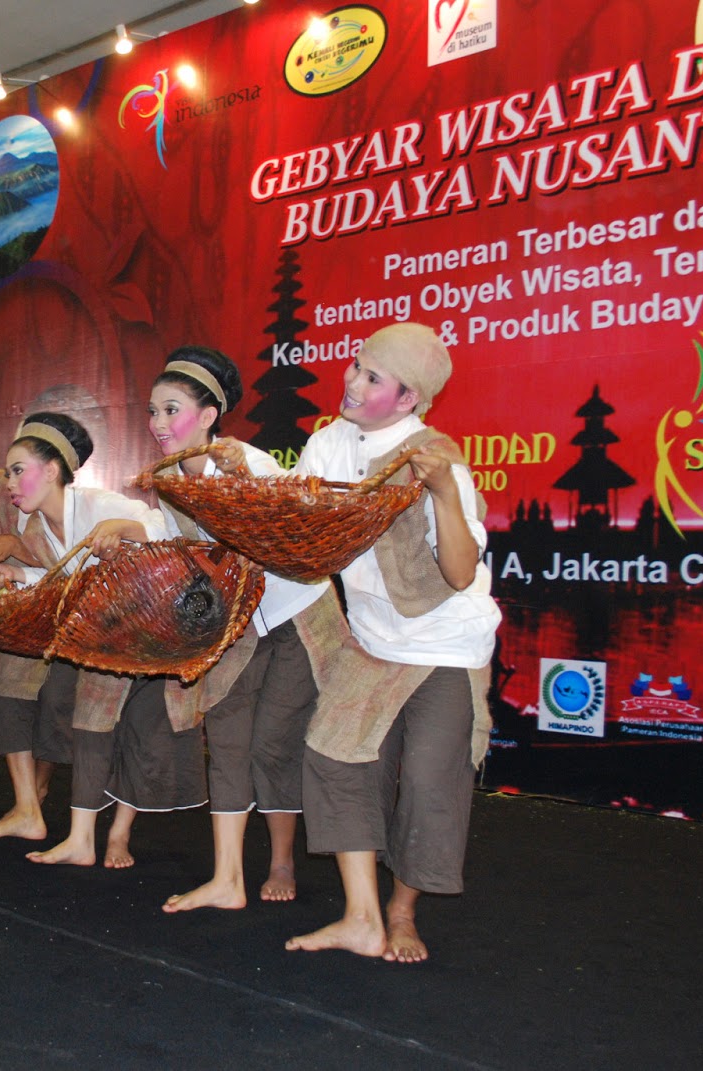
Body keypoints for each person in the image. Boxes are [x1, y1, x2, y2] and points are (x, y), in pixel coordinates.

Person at [279, 323, 501, 964]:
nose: (352, 382)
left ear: (408, 399)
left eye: (372, 377)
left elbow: (459, 573)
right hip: (374, 639)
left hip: (444, 643)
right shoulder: (327, 444)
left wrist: (443, 494)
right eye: (356, 366)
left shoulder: (435, 457)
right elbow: (303, 531)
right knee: (335, 755)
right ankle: (361, 917)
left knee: (429, 781)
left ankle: (401, 913)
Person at [145, 346, 332, 913]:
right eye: (152, 411)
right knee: (226, 737)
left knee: (273, 741)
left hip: (297, 614)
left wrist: (242, 485)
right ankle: (228, 878)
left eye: (171, 410)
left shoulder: (249, 463)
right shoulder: (167, 478)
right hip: (239, 624)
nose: (158, 424)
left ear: (208, 416)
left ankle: (281, 861)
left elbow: (289, 537)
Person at [0, 412, 181, 868]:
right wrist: (16, 574)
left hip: (153, 631)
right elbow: (60, 580)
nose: (10, 483)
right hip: (106, 636)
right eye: (8, 474)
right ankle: (82, 839)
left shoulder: (95, 504)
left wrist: (123, 527)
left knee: (133, 731)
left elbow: (166, 530)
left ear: (51, 470)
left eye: (19, 470)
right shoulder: (38, 527)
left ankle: (113, 835)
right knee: (87, 723)